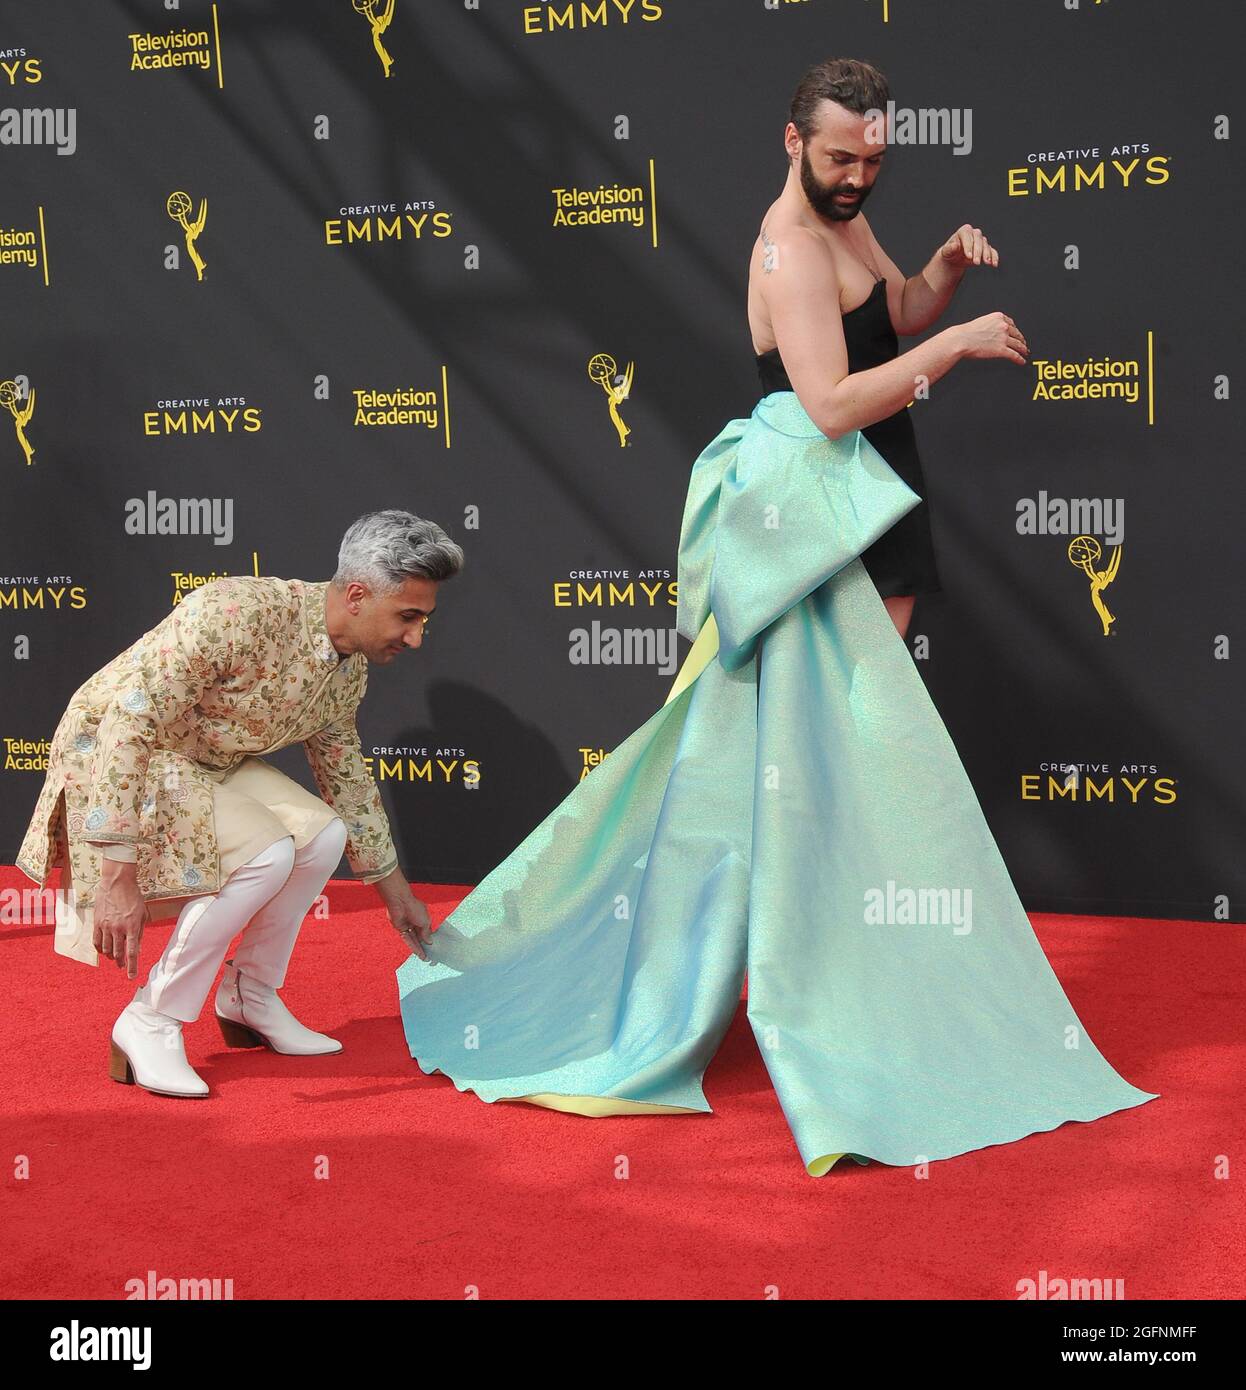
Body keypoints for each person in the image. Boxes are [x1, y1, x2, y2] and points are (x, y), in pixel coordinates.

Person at [395, 60, 1158, 1176]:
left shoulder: (847, 225)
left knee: (848, 770)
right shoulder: (787, 250)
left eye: (874, 160)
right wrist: (956, 345)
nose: (857, 178)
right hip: (822, 515)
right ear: (790, 141)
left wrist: (940, 272)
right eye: (839, 157)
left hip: (871, 499)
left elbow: (889, 318)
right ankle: (813, 993)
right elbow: (832, 400)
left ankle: (842, 980)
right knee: (820, 771)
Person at [16, 509, 456, 1098]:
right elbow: (128, 721)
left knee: (321, 837)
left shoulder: (347, 674)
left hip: (203, 757)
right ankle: (149, 1020)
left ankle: (249, 995)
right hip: (117, 750)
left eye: (423, 620)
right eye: (408, 617)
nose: (415, 637)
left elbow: (348, 782)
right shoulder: (240, 613)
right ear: (356, 594)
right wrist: (116, 874)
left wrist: (397, 895)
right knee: (265, 852)